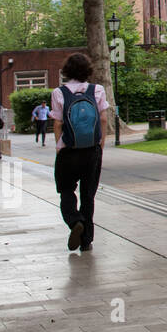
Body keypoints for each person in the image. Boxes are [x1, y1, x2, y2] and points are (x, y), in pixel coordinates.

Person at [50, 53, 109, 252]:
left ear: (67, 70)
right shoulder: (97, 90)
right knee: (88, 196)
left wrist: (59, 146)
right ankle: (86, 241)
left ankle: (74, 221)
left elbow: (58, 122)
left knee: (66, 190)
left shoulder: (59, 93)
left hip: (68, 151)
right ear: (88, 70)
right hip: (91, 150)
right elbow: (102, 119)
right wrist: (100, 145)